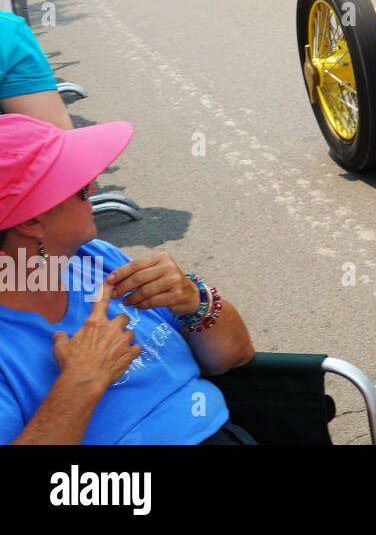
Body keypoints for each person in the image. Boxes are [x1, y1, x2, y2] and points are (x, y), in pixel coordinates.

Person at [0, 114, 255, 444]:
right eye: (78, 188)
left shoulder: (95, 256)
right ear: (33, 220)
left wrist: (194, 301)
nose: (92, 187)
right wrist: (81, 382)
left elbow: (234, 357)